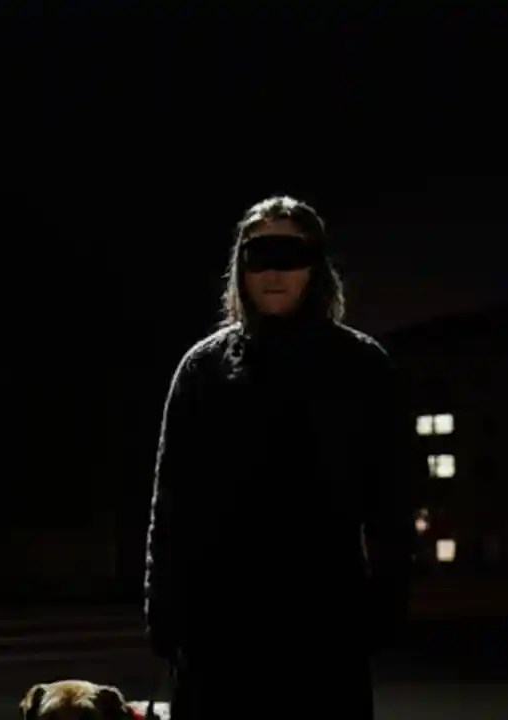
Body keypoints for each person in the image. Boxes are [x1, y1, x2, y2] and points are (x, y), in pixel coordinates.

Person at [143, 196, 420, 719]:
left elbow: (393, 497)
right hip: (218, 628)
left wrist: (387, 604)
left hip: (326, 625)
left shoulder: (362, 368)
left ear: (315, 266)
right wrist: (164, 614)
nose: (273, 273)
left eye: (289, 256)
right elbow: (172, 502)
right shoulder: (203, 370)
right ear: (240, 267)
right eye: (259, 255)